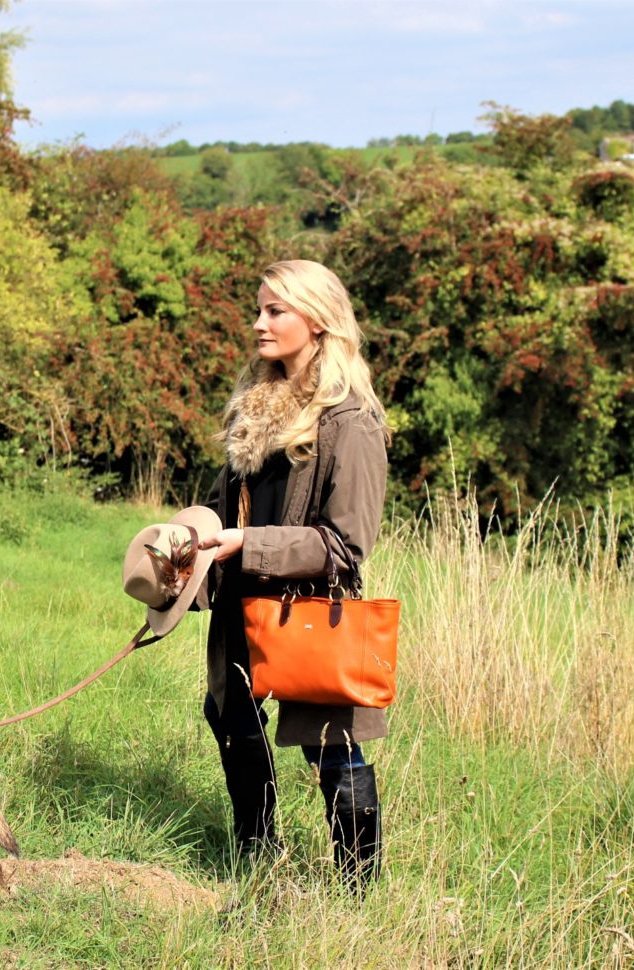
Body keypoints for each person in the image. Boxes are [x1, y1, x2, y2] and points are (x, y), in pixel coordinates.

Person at [196, 259, 389, 888]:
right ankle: (257, 856)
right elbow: (224, 509)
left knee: (330, 745)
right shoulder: (254, 407)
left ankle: (359, 888)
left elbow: (345, 544)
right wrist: (190, 545)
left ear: (318, 319)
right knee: (230, 719)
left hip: (311, 608)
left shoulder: (350, 421)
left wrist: (247, 543)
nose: (259, 323)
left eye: (275, 310)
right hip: (241, 602)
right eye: (258, 308)